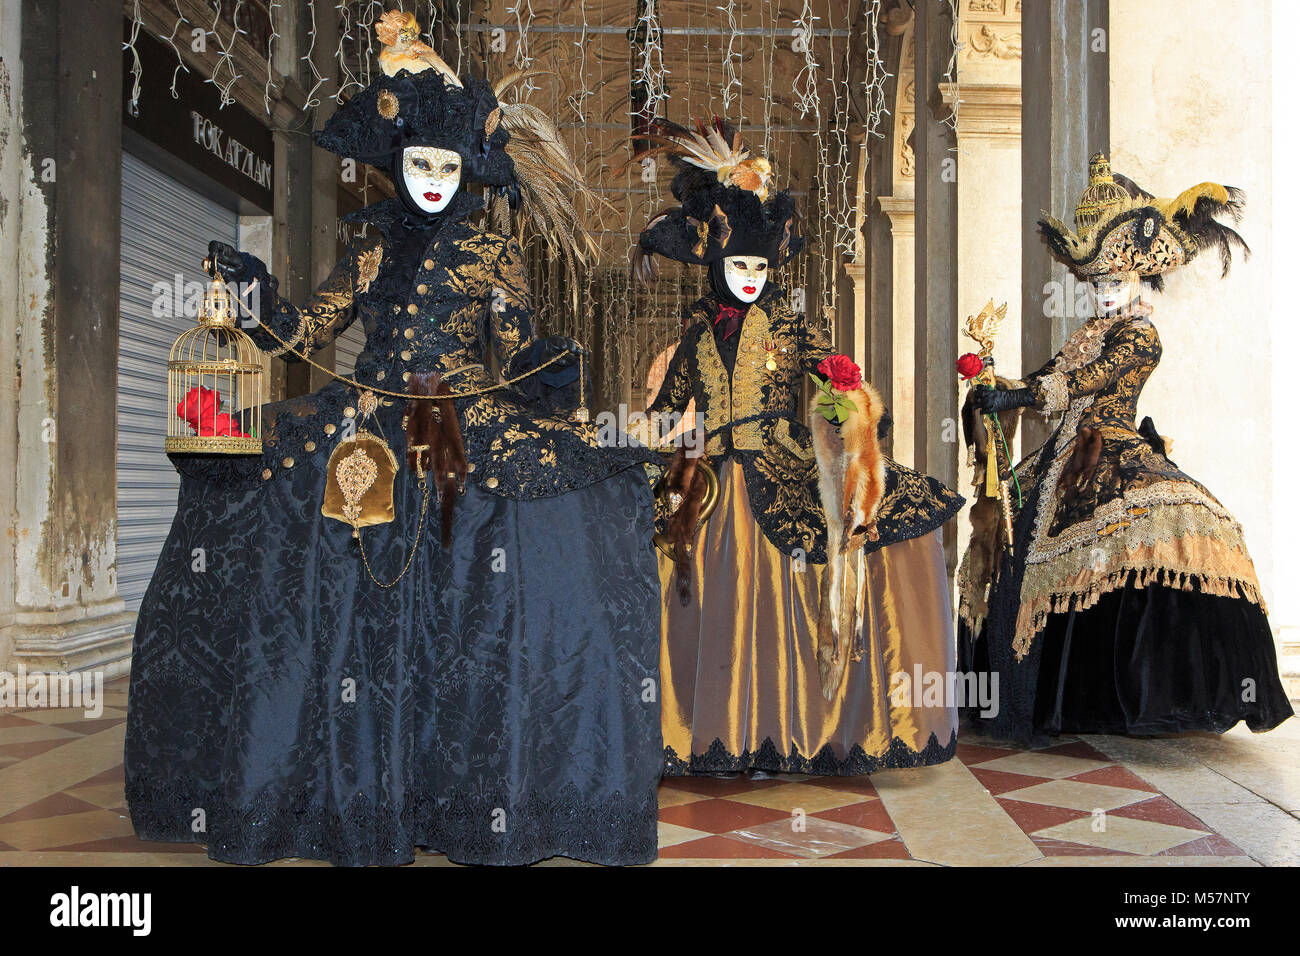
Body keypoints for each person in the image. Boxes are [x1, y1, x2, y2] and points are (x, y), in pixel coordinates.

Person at [125, 16, 662, 866]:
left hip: (458, 419)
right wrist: (264, 303)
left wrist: (547, 367)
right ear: (398, 162)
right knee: (331, 565)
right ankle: (340, 788)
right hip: (366, 420)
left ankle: (464, 789)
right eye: (422, 163)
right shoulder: (368, 240)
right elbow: (315, 323)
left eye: (451, 166)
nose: (438, 179)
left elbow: (513, 341)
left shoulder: (493, 244)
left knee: (474, 583)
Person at [633, 117, 964, 776]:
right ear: (718, 265)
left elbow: (837, 382)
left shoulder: (793, 325)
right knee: (696, 592)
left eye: (760, 264)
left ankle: (798, 731)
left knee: (826, 567)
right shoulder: (697, 334)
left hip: (783, 469)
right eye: (739, 264)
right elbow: (665, 411)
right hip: (712, 480)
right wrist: (630, 445)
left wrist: (852, 411)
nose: (751, 276)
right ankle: (715, 732)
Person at [961, 152, 1292, 741]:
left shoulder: (1141, 336)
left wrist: (1025, 396)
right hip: (1062, 451)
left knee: (1145, 537)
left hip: (1108, 448)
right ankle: (1018, 696)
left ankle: (1124, 701)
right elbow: (1049, 378)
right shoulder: (1087, 332)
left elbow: (1089, 381)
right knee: (1016, 537)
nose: (1105, 293)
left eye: (1115, 281)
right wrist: (997, 387)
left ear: (1139, 277)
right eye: (1097, 283)